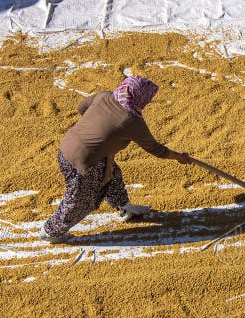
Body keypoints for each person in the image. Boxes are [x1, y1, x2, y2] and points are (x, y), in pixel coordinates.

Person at [40, 75, 191, 243]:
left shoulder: (104, 96)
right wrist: (179, 157)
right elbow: (156, 149)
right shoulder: (132, 121)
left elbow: (81, 107)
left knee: (111, 173)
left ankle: (124, 206)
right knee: (80, 200)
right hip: (82, 163)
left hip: (66, 147)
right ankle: (51, 232)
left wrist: (97, 126)